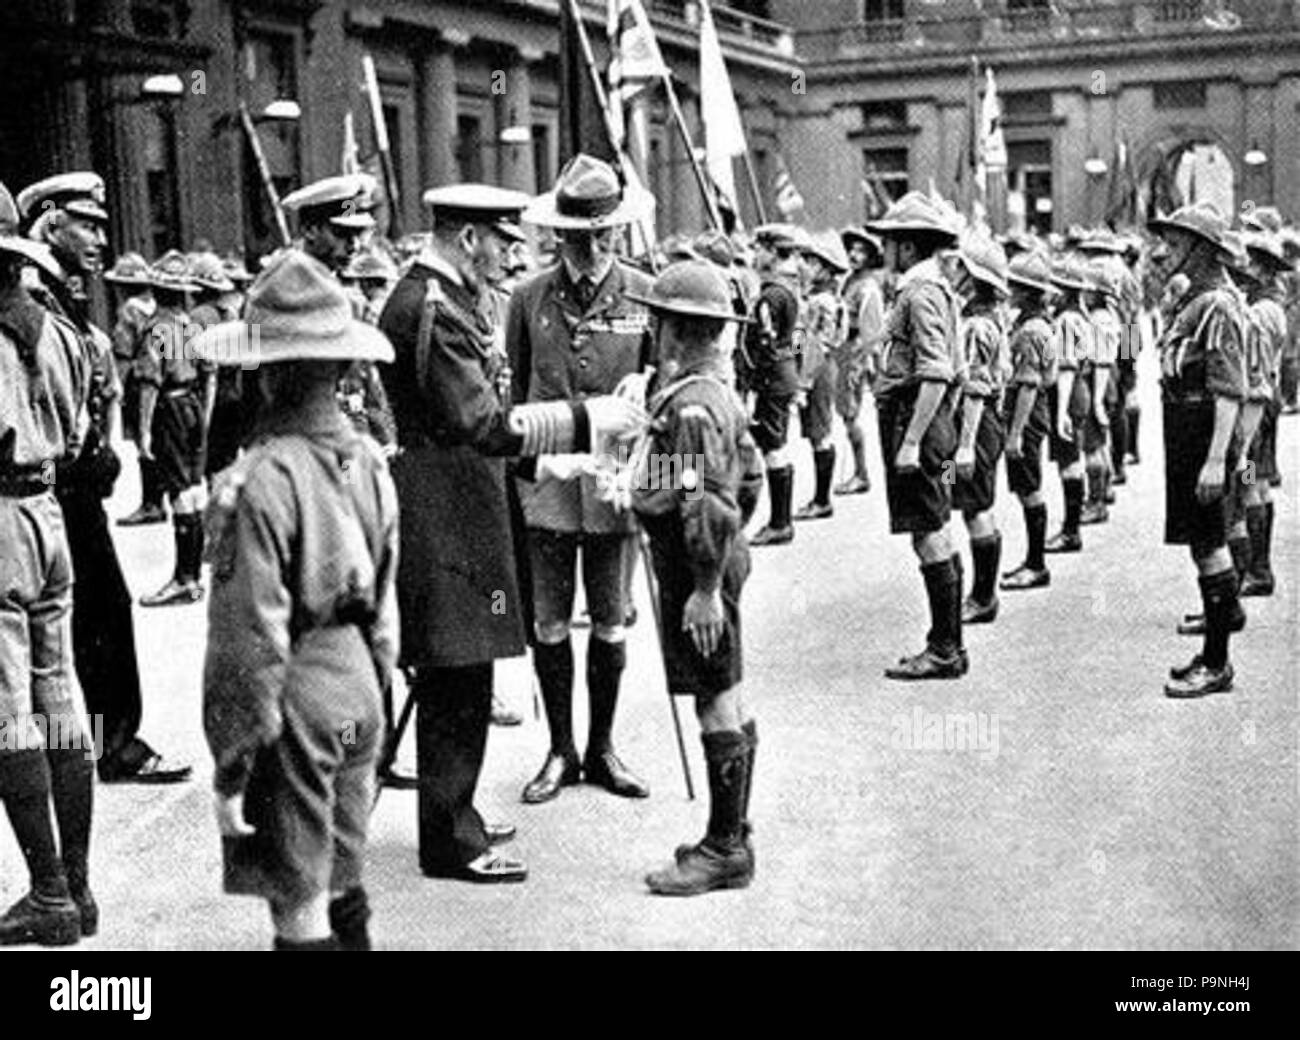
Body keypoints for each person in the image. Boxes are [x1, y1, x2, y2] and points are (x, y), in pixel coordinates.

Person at [377, 183, 647, 883]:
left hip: (464, 500)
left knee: (465, 669)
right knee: (455, 671)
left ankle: (455, 812)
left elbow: (488, 419)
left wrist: (550, 454)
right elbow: (481, 423)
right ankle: (451, 842)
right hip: (446, 509)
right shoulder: (431, 305)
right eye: (502, 243)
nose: (511, 257)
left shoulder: (448, 299)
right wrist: (588, 420)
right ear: (469, 239)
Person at [197, 248, 398, 952]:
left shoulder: (257, 480)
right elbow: (386, 603)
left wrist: (231, 766)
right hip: (357, 697)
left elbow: (248, 643)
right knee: (343, 872)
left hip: (297, 702)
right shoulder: (369, 460)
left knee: (297, 900)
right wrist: (376, 685)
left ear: (268, 371)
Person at [19, 173, 190, 786]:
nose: (99, 238)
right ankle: (105, 745)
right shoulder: (34, 300)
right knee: (88, 613)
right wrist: (85, 459)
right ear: (48, 224)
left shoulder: (66, 299)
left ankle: (98, 740)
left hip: (76, 483)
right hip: (54, 484)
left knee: (90, 614)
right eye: (85, 225)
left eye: (100, 225)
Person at [507, 155, 655, 805]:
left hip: (614, 488)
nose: (591, 252)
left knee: (611, 621)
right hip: (548, 487)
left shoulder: (646, 295)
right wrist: (527, 465)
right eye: (577, 238)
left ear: (619, 233)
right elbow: (508, 398)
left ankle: (603, 748)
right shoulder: (526, 298)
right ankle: (560, 751)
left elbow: (663, 402)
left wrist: (648, 466)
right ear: (557, 235)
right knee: (547, 623)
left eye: (604, 237)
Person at [624, 261, 764, 896]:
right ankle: (731, 828)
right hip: (712, 557)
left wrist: (706, 587)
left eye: (658, 320)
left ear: (675, 328)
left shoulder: (692, 409)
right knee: (726, 682)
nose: (653, 331)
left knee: (713, 694)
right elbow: (751, 480)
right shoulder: (712, 393)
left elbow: (703, 500)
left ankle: (725, 847)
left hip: (697, 566)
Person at [0, 181, 94, 946]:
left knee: (7, 713)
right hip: (49, 512)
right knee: (60, 696)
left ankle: (49, 893)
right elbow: (83, 426)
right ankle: (83, 886)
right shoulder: (56, 329)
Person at [866, 191, 967, 680]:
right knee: (935, 527)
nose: (884, 251)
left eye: (890, 243)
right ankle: (948, 643)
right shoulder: (929, 289)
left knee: (928, 533)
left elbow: (935, 371)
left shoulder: (920, 294)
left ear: (907, 248)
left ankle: (945, 648)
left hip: (915, 423)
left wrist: (910, 441)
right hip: (924, 423)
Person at [1150, 203, 1249, 698]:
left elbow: (1231, 389)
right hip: (1185, 426)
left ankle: (1217, 663)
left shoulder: (1220, 305)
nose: (1165, 250)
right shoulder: (1194, 299)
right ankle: (1215, 638)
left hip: (1203, 429)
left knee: (1210, 544)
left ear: (1202, 249)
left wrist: (1215, 458)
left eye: (1176, 240)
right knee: (1200, 541)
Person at [282, 173, 397, 452]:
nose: (354, 245)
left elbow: (365, 374)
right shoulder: (280, 293)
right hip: (303, 437)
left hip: (350, 430)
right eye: (342, 233)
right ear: (310, 230)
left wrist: (383, 434)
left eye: (358, 234)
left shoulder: (350, 301)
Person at [137, 250, 215, 608]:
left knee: (180, 492)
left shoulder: (156, 329)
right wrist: (205, 415)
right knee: (195, 487)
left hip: (169, 406)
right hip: (194, 404)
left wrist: (143, 432)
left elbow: (149, 382)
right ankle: (193, 576)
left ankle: (185, 579)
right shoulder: (191, 326)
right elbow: (210, 374)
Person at [951, 229, 1009, 624]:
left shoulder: (975, 326)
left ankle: (984, 596)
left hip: (977, 420)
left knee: (975, 507)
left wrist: (965, 445)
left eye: (960, 268)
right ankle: (983, 592)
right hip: (989, 419)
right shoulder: (990, 318)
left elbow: (974, 388)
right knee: (976, 503)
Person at [999, 251, 1058, 593]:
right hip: (1034, 410)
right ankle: (1034, 561)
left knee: (1028, 486)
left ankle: (1036, 564)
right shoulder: (1035, 324)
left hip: (1027, 413)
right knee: (1027, 486)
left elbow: (1028, 385)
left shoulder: (1029, 331)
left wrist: (1015, 435)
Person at [744, 224, 805, 546]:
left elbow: (763, 343)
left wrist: (755, 379)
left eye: (758, 249)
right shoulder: (790, 290)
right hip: (784, 373)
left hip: (770, 377)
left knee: (772, 447)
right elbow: (797, 339)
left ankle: (781, 522)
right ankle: (781, 520)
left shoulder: (769, 296)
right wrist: (793, 369)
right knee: (773, 443)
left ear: (770, 252)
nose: (754, 255)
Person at [1236, 231, 1288, 597]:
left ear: (1261, 268)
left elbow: (1255, 370)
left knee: (1249, 478)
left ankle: (1256, 567)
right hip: (1268, 401)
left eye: (1248, 260)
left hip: (1256, 406)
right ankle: (1260, 566)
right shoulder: (1271, 304)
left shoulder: (1259, 311)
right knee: (1261, 480)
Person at [792, 230, 849, 521]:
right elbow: (801, 337)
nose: (806, 266)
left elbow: (815, 345)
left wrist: (803, 381)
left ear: (826, 269)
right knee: (817, 431)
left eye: (813, 263)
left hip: (818, 366)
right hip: (815, 363)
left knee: (820, 433)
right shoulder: (815, 298)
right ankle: (820, 497)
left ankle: (822, 499)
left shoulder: (821, 302)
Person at [105, 252, 164, 525]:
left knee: (143, 440)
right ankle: (158, 498)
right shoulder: (155, 306)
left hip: (141, 381)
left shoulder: (129, 309)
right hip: (162, 380)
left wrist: (114, 387)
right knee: (155, 438)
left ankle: (151, 502)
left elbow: (123, 352)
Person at [1044, 257, 1092, 554]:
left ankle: (1071, 531)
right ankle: (1072, 525)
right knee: (1071, 460)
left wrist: (1060, 412)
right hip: (1079, 390)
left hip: (1069, 392)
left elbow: (1065, 367)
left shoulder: (1065, 321)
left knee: (1069, 461)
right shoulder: (1078, 315)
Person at [835, 226, 886, 495]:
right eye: (852, 250)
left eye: (861, 251)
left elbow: (872, 329)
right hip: (844, 349)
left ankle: (861, 473)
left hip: (856, 350)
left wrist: (866, 360)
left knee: (851, 414)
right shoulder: (849, 280)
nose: (854, 255)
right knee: (846, 413)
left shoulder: (868, 287)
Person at [1079, 257, 1121, 525]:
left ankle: (1095, 502)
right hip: (1106, 381)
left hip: (1099, 381)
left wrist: (1095, 401)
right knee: (1101, 441)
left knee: (1092, 445)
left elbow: (1103, 361)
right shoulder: (1107, 315)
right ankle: (1104, 490)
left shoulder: (1099, 320)